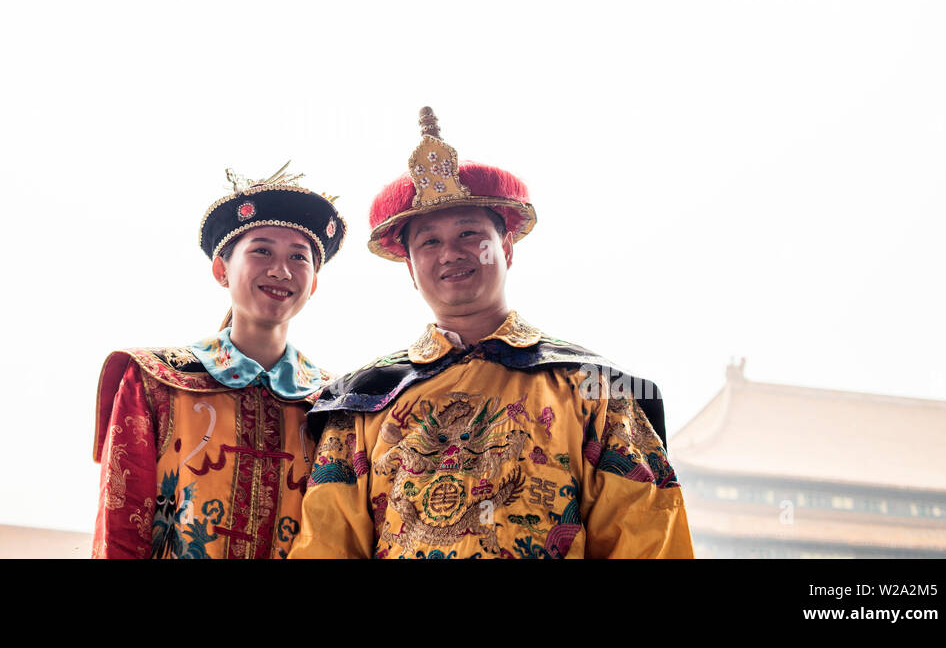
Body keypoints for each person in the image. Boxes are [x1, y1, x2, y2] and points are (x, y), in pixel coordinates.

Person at [291, 109, 693, 559]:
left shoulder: (593, 389)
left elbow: (648, 539)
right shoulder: (365, 401)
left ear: (504, 248)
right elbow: (325, 544)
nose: (451, 254)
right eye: (429, 242)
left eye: (469, 233)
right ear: (409, 266)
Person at [91, 163, 345, 558]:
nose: (281, 270)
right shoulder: (155, 381)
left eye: (299, 257)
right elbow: (120, 533)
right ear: (221, 269)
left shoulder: (335, 404)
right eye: (262, 250)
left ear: (312, 283)